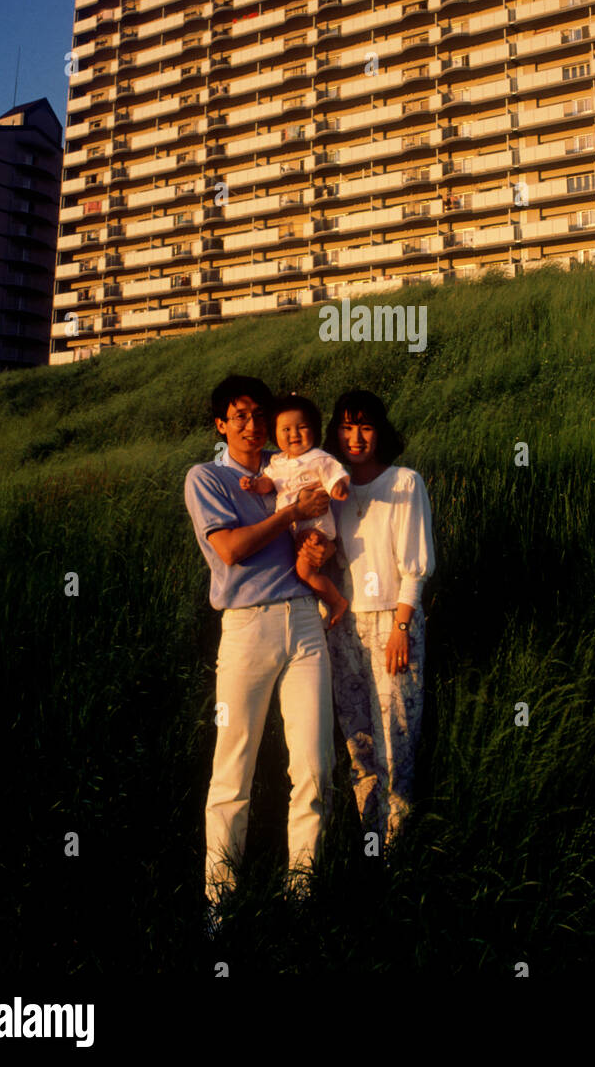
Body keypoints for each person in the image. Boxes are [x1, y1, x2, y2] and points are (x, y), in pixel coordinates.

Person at [183, 374, 335, 918]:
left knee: (315, 767)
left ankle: (304, 896)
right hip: (247, 629)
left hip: (305, 622)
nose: (252, 425)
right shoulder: (206, 477)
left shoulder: (285, 466)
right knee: (233, 770)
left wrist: (317, 549)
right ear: (221, 424)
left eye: (258, 414)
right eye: (239, 416)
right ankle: (220, 906)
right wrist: (291, 514)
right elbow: (230, 550)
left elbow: (326, 512)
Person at [323, 389, 435, 849]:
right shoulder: (331, 489)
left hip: (393, 618)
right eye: (347, 427)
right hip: (344, 625)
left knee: (397, 735)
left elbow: (416, 565)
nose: (356, 437)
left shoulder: (404, 483)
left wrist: (402, 628)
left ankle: (396, 845)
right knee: (358, 737)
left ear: (380, 431)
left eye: (365, 426)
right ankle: (369, 836)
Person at [238, 393, 350, 629]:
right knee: (301, 567)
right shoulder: (276, 463)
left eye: (302, 427)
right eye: (286, 430)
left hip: (315, 526)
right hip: (293, 527)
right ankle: (321, 600)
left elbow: (335, 477)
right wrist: (255, 484)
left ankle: (336, 601)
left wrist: (337, 488)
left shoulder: (319, 458)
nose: (294, 434)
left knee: (304, 570)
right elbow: (269, 482)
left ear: (314, 430)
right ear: (274, 434)